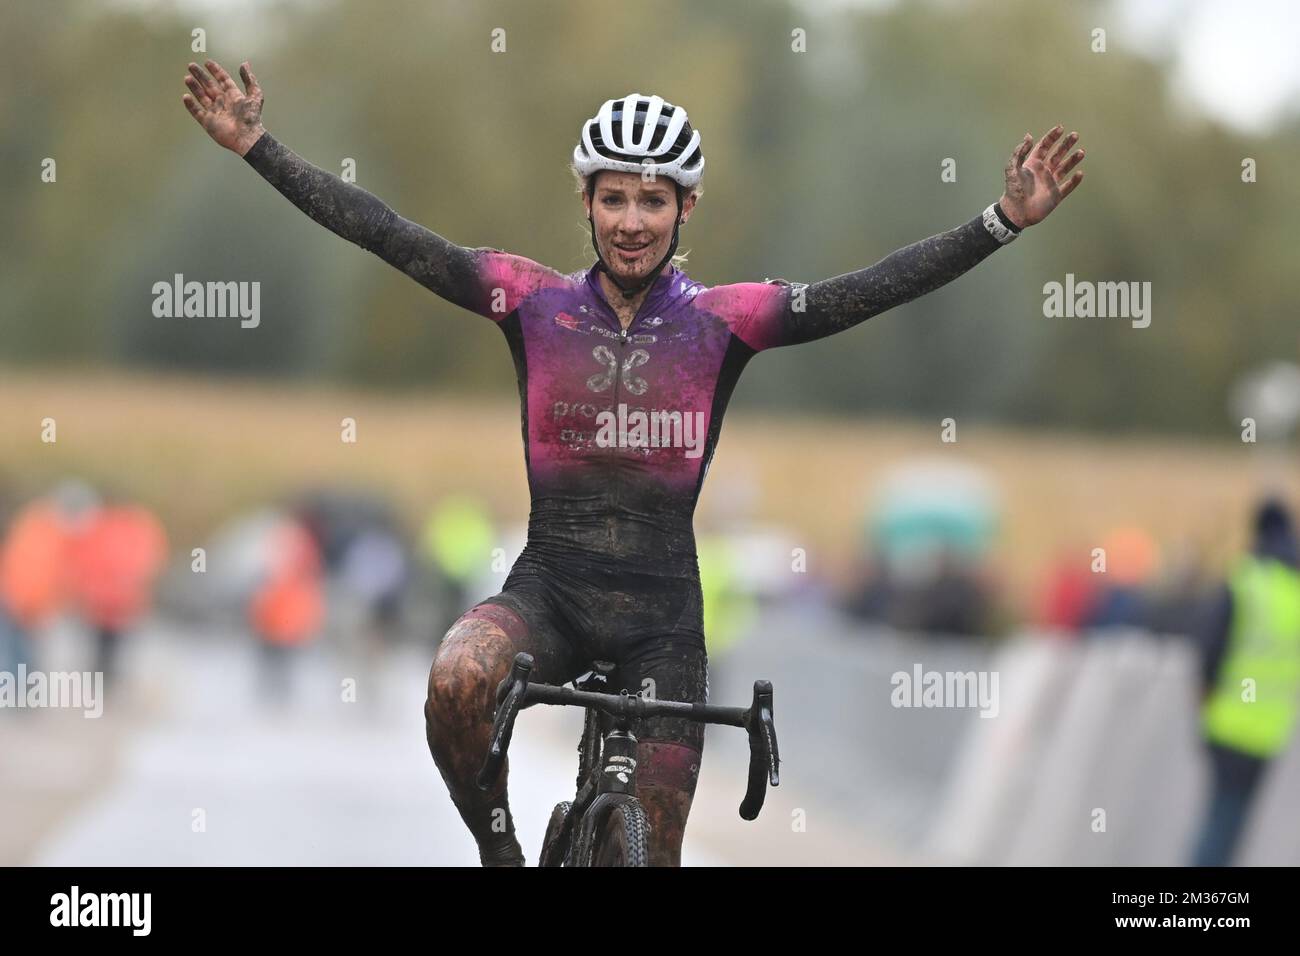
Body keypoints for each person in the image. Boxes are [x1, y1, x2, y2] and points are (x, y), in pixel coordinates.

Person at [183, 61, 1085, 865]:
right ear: (586, 202)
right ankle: (502, 854)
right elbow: (385, 231)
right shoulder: (525, 300)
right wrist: (259, 147)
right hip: (552, 589)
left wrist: (1003, 221)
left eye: (653, 201)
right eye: (613, 198)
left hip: (664, 617)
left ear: (685, 208)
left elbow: (870, 290)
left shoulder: (727, 319)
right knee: (459, 674)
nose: (631, 222)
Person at [1190, 498, 1300, 866]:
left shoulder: (1245, 579)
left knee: (1220, 817)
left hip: (1227, 721)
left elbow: (1211, 648)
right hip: (1270, 730)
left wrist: (1202, 699)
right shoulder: (1294, 591)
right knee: (1235, 820)